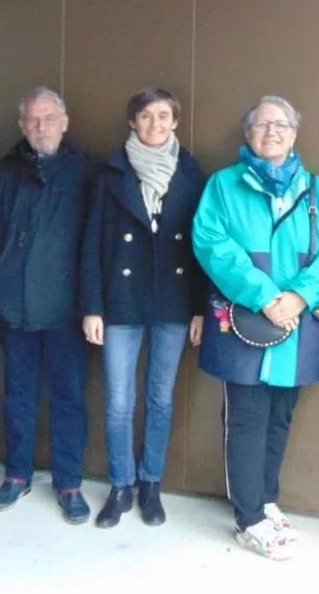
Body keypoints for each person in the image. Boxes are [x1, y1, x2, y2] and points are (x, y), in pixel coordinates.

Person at [191, 95, 319, 560]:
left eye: (281, 124)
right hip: (243, 322)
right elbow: (211, 242)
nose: (271, 131)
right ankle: (249, 519)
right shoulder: (223, 186)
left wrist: (299, 296)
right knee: (245, 419)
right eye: (261, 125)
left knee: (280, 415)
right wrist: (265, 295)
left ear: (295, 134)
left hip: (299, 324)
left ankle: (265, 498)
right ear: (247, 134)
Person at [80, 87, 207, 528]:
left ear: (175, 122)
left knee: (160, 398)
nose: (155, 124)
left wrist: (199, 309)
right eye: (146, 117)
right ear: (132, 123)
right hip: (120, 302)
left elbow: (202, 249)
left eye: (163, 116)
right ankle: (120, 485)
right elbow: (91, 244)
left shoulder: (193, 174)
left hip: (172, 302)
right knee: (118, 400)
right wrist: (92, 307)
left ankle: (151, 483)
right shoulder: (109, 175)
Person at [0, 86, 94, 524]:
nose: (41, 127)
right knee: (17, 396)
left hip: (67, 311)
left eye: (49, 118)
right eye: (32, 120)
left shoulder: (87, 174)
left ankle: (69, 483)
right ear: (22, 126)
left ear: (65, 121)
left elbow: (97, 245)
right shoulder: (0, 174)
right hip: (13, 307)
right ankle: (17, 476)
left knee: (68, 398)